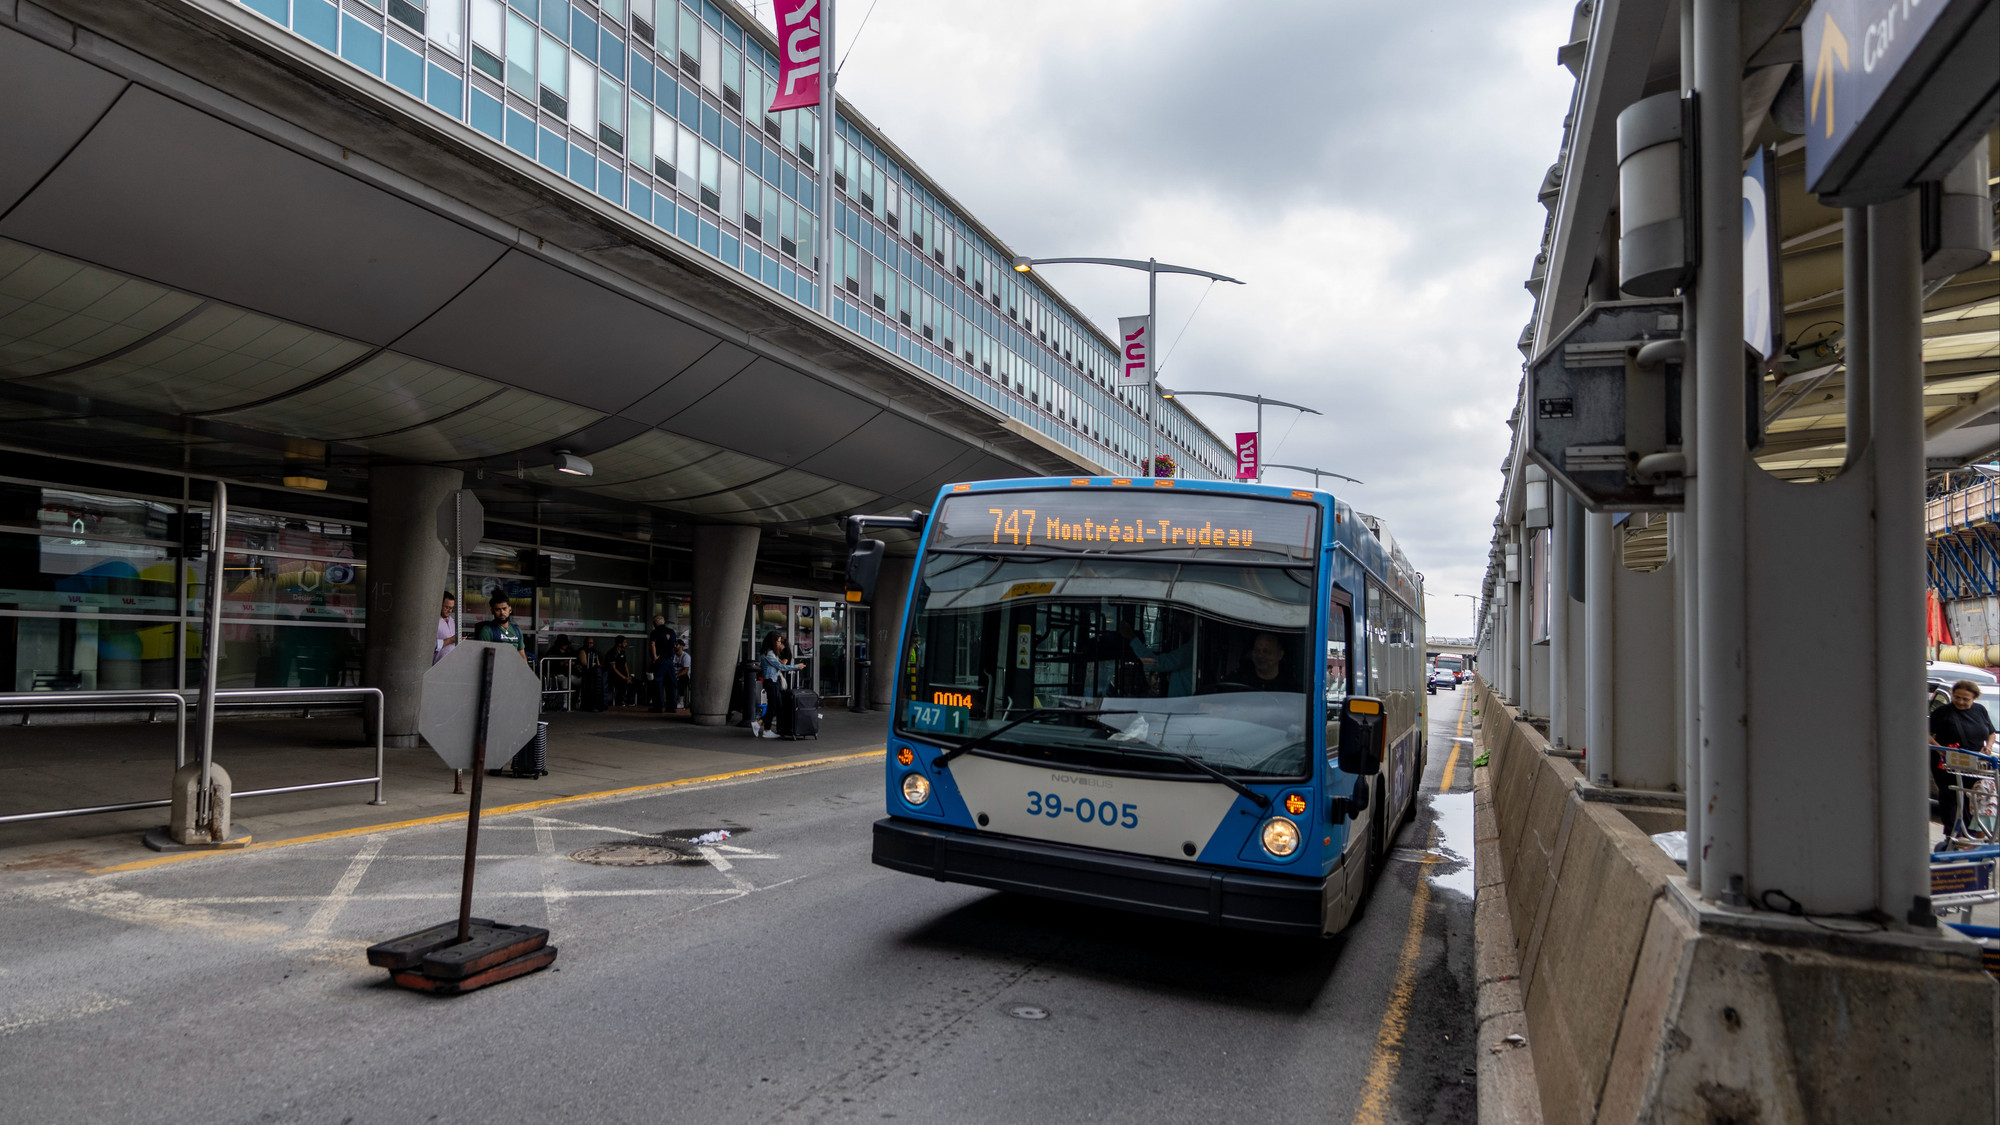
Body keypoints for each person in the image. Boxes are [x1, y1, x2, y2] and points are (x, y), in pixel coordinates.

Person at [1931, 679, 1998, 841]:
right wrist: (1940, 748)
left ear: (1974, 698)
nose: (1960, 702)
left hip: (1974, 762)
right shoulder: (1943, 712)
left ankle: (1974, 834)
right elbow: (1926, 733)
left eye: (1965, 699)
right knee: (1952, 796)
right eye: (1957, 697)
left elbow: (1991, 732)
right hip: (1948, 762)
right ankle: (1955, 834)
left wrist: (1988, 746)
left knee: (1975, 797)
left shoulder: (1980, 711)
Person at [1222, 632, 1303, 693]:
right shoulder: (1236, 681)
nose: (1260, 655)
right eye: (1256, 650)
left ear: (1280, 655)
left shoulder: (1290, 687)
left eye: (1266, 651)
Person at [757, 631, 801, 739]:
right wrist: (796, 667)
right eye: (778, 641)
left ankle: (765, 728)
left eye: (780, 641)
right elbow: (781, 666)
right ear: (773, 642)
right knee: (774, 706)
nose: (779, 644)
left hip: (773, 680)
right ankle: (760, 725)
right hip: (770, 681)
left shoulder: (770, 652)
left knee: (776, 706)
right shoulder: (769, 654)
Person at [472, 593, 527, 660]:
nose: (502, 613)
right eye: (498, 610)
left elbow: (522, 655)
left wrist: (525, 670)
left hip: (513, 668)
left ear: (510, 609)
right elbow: (482, 657)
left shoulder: (517, 630)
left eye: (504, 609)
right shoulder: (487, 630)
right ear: (492, 611)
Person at [647, 615, 675, 713]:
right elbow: (673, 646)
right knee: (671, 683)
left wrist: (654, 657)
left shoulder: (655, 632)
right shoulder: (671, 632)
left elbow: (652, 644)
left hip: (660, 660)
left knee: (657, 682)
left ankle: (658, 707)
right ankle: (672, 707)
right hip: (670, 661)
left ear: (655, 623)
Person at [606, 637, 634, 707]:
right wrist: (624, 678)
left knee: (635, 682)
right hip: (614, 676)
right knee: (623, 682)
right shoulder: (611, 653)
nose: (626, 644)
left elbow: (625, 666)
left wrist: (628, 676)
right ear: (619, 644)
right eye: (624, 642)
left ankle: (630, 700)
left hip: (624, 675)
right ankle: (620, 700)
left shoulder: (623, 652)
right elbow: (613, 668)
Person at [579, 637, 605, 711]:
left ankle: (597, 704)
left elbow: (598, 663)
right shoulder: (583, 650)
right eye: (588, 643)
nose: (589, 645)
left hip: (594, 673)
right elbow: (584, 663)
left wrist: (599, 667)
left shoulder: (594, 651)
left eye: (591, 643)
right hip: (585, 673)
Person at [434, 591, 459, 665]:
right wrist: (450, 640)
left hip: (451, 665)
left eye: (451, 608)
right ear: (440, 605)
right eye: (447, 607)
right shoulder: (433, 622)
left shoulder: (452, 621)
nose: (449, 611)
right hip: (436, 666)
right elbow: (428, 646)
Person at [672, 639, 692, 713]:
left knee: (682, 680)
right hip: (674, 675)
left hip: (683, 675)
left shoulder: (686, 656)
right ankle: (670, 700)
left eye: (676, 645)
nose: (675, 646)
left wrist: (676, 675)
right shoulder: (673, 656)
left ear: (681, 646)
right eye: (674, 644)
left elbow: (685, 670)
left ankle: (681, 702)